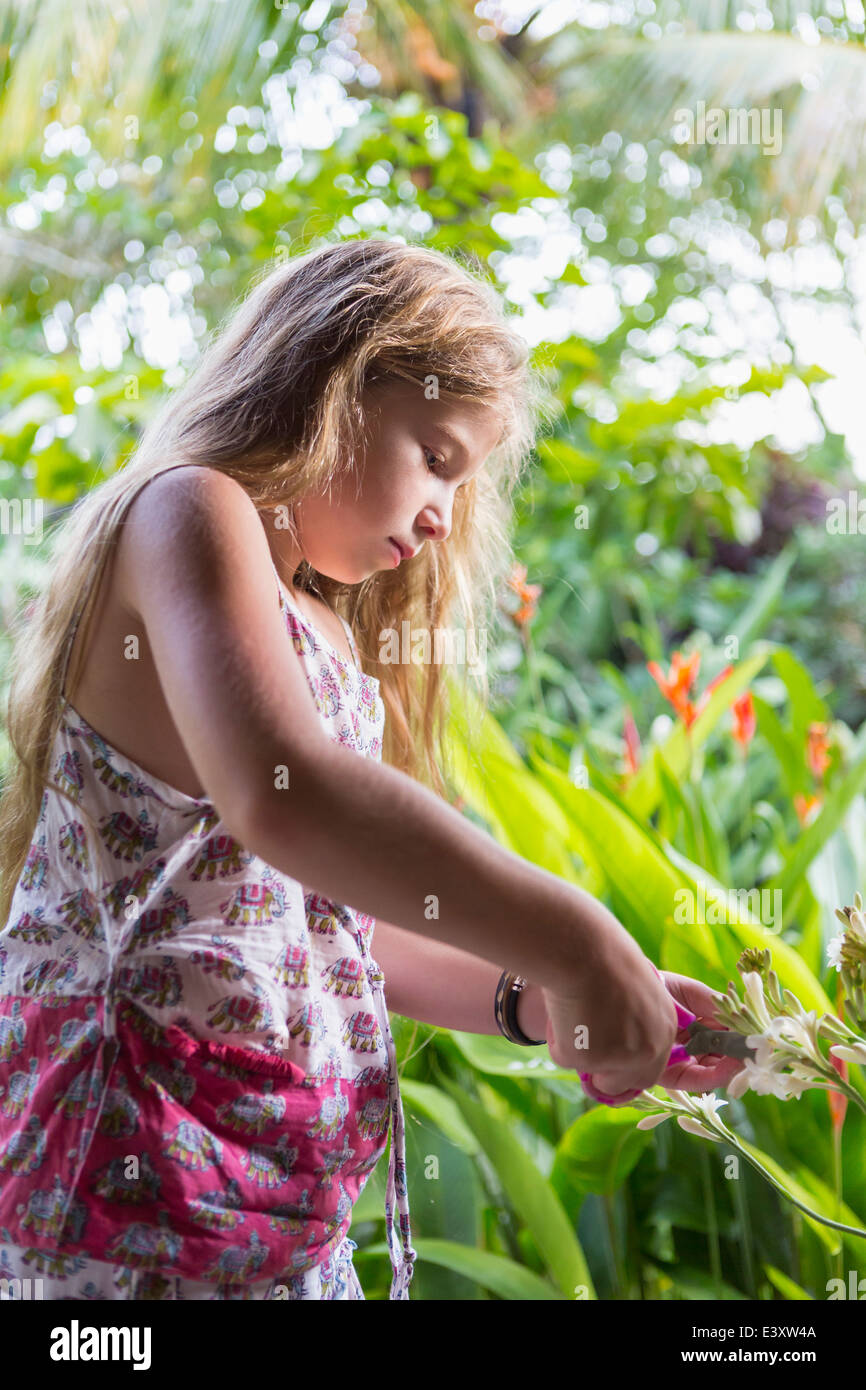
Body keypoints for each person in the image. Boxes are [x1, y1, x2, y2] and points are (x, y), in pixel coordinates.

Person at [0, 237, 743, 1302]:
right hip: (126, 1191)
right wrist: (583, 943)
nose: (444, 514)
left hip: (275, 1217)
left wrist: (534, 996)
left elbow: (337, 920)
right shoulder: (188, 512)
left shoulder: (326, 633)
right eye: (436, 455)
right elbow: (285, 796)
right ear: (330, 386)